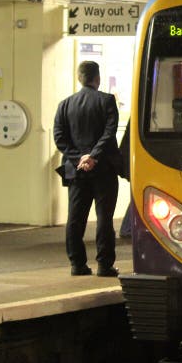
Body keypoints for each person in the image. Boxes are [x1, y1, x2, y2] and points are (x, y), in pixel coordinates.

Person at [53, 61, 121, 277]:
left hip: (76, 172)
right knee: (104, 218)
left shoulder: (65, 105)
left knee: (75, 219)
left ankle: (77, 264)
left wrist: (78, 158)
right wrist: (93, 157)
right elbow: (109, 133)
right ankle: (104, 265)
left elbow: (59, 138)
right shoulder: (107, 101)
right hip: (103, 171)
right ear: (97, 78)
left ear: (79, 78)